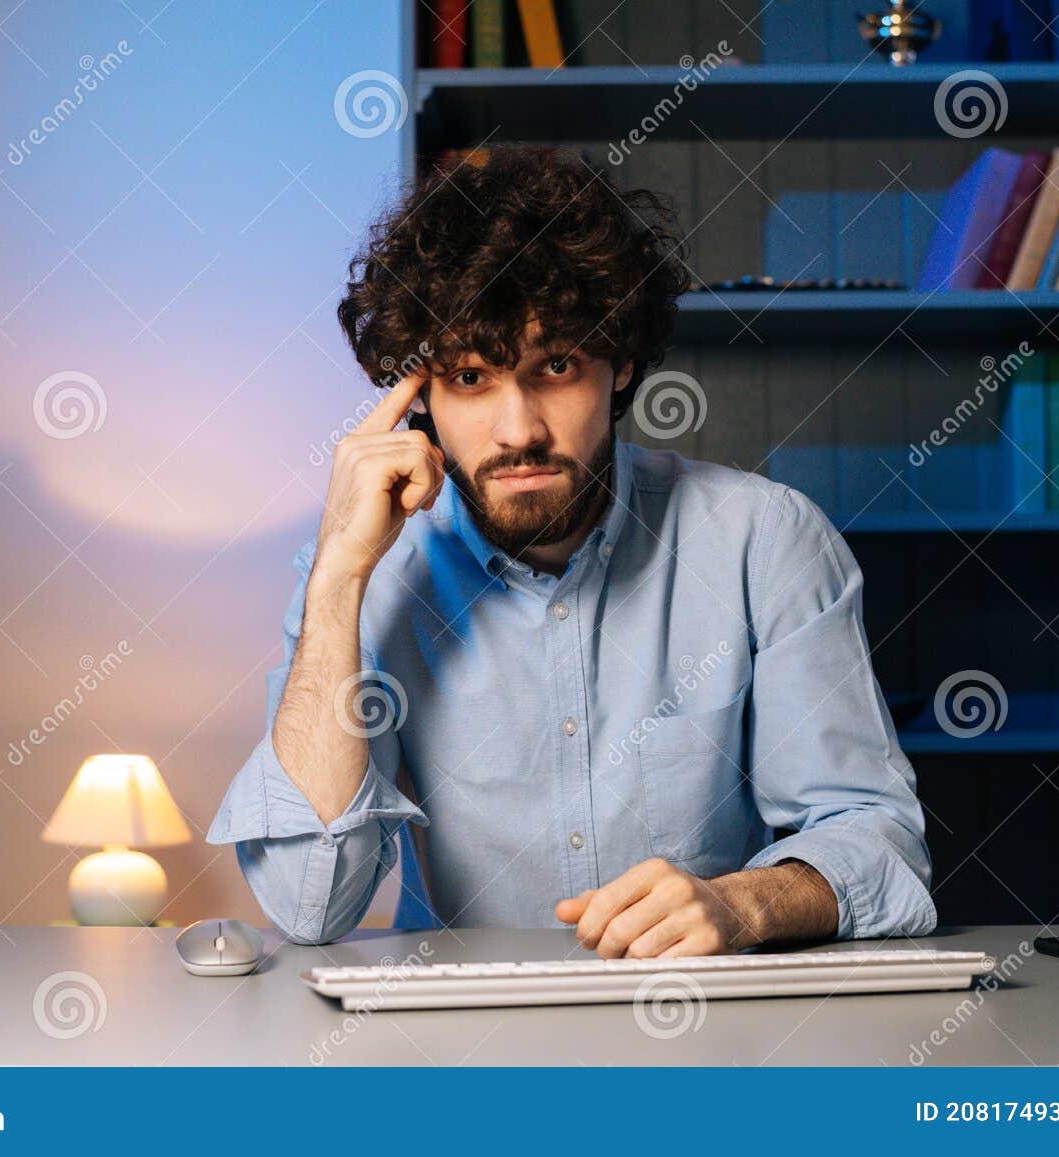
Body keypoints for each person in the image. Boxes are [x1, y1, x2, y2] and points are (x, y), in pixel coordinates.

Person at [207, 145, 936, 957]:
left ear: (621, 362)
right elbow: (311, 904)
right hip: (460, 1052)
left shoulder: (764, 542)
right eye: (471, 378)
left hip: (706, 1035)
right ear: (418, 399)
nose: (519, 430)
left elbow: (879, 841)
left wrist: (742, 904)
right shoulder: (364, 579)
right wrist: (339, 576)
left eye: (555, 365)